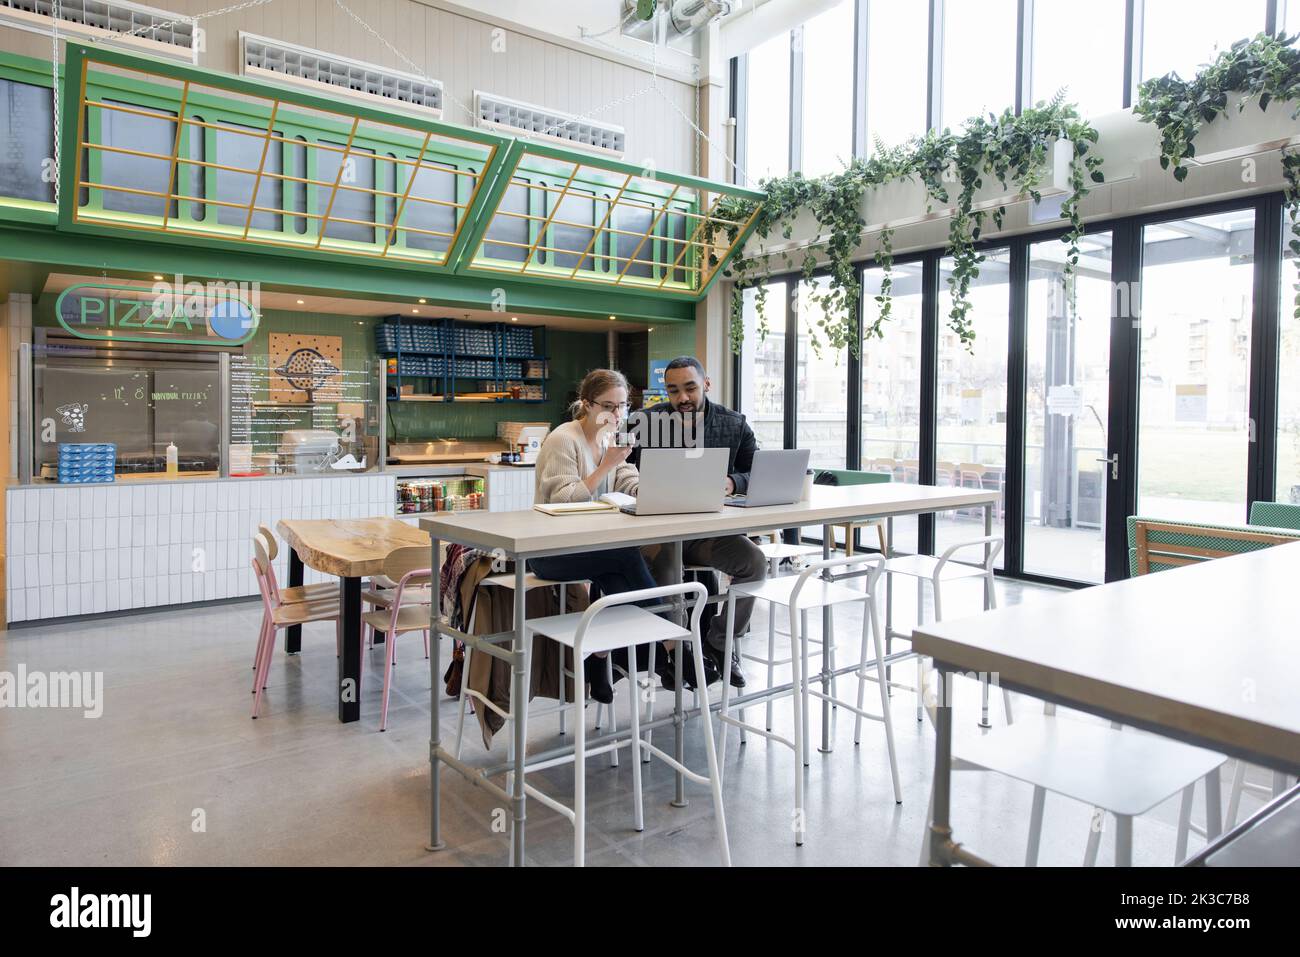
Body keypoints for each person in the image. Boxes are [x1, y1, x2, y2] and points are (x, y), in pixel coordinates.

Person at [628, 356, 767, 688]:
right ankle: (677, 656)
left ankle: (720, 643)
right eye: (673, 391)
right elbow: (615, 465)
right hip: (657, 533)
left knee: (755, 563)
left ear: (706, 384)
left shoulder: (734, 424)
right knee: (670, 576)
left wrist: (734, 482)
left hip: (708, 535)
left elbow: (756, 470)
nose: (682, 398)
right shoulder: (644, 422)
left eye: (690, 388)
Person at [531, 368, 663, 704]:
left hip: (590, 548)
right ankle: (669, 645)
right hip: (549, 552)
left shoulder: (609, 439)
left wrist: (659, 490)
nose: (617, 415)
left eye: (623, 407)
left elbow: (627, 483)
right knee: (625, 556)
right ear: (587, 404)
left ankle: (600, 661)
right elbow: (562, 500)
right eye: (609, 406)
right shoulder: (564, 439)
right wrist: (605, 465)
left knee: (617, 583)